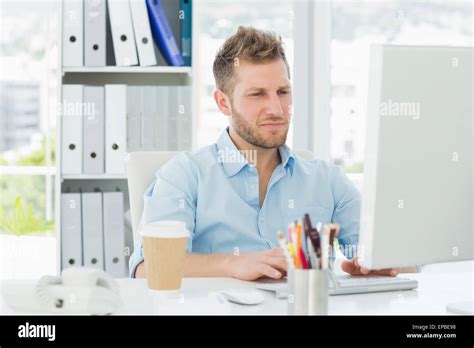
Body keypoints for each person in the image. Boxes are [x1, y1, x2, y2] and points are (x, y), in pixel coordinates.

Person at [129, 26, 404, 280]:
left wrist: (377, 262)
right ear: (223, 103)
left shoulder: (328, 180)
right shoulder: (185, 175)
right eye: (257, 94)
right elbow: (148, 268)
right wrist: (232, 264)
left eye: (283, 92)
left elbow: (397, 257)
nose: (276, 108)